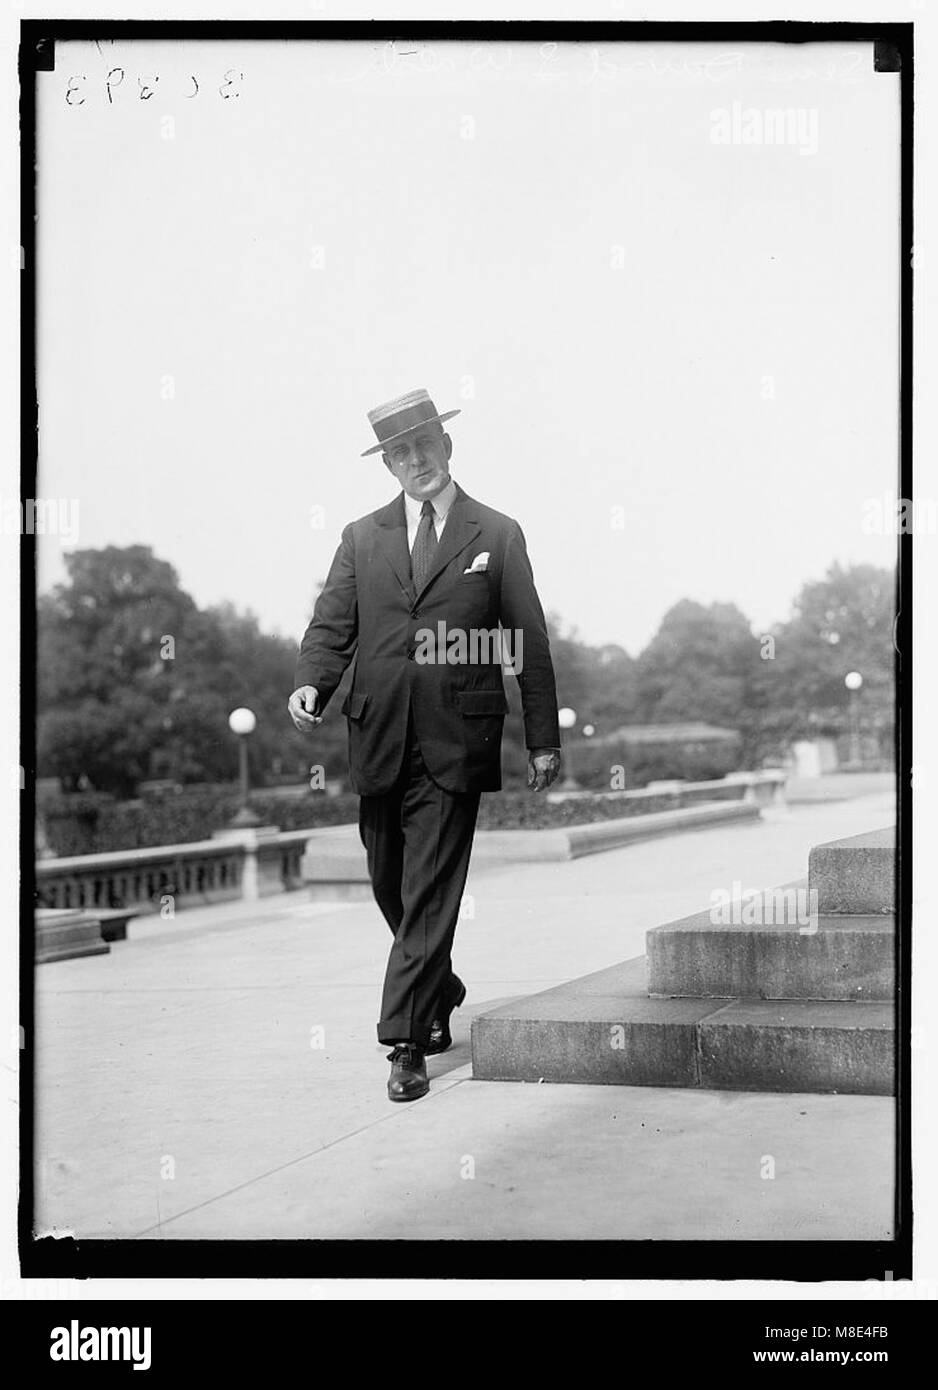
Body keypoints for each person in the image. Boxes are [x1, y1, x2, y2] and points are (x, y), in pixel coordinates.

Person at [288, 389, 561, 1101]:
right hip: (377, 734)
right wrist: (312, 683)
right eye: (401, 454)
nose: (417, 462)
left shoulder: (496, 533)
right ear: (389, 466)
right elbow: (330, 627)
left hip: (456, 738)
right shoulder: (361, 537)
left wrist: (542, 737)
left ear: (448, 445)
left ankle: (406, 1043)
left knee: (430, 890)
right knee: (391, 885)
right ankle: (438, 981)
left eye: (425, 446)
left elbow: (527, 641)